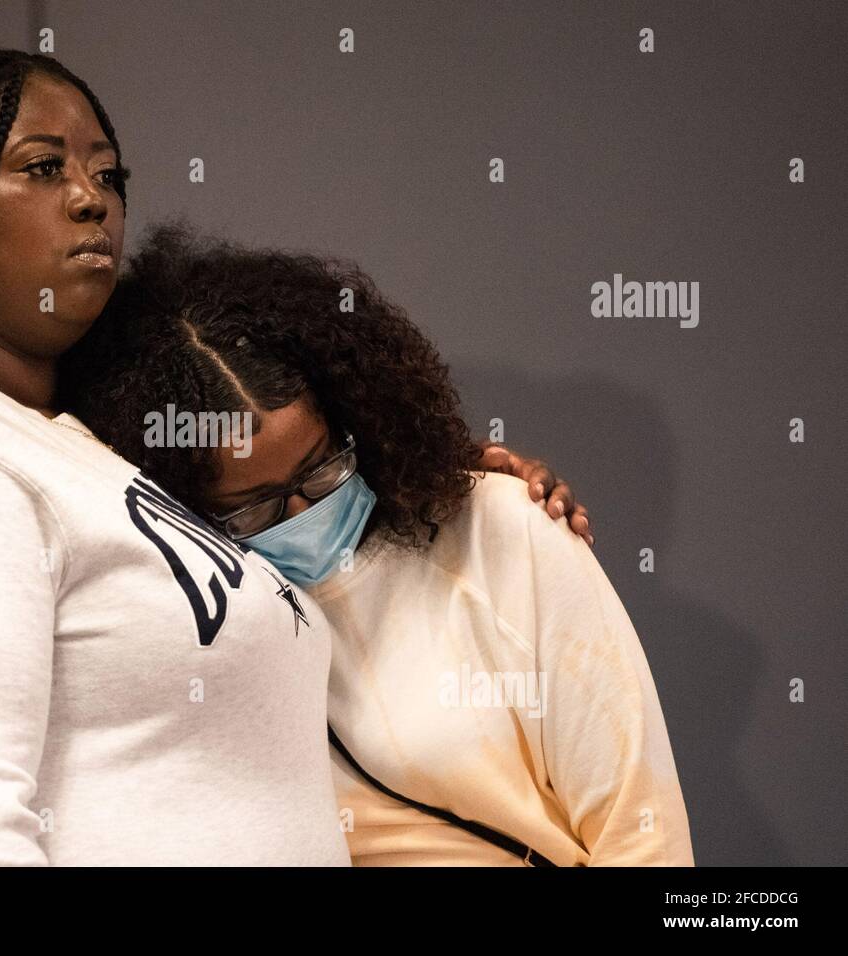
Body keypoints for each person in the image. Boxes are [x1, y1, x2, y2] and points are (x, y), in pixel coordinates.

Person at [0, 51, 592, 867]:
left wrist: (439, 481)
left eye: (107, 175)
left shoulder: (76, 448)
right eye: (42, 167)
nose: (90, 199)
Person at [61, 222, 695, 865]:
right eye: (254, 507)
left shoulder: (504, 528)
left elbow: (642, 832)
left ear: (356, 417)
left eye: (321, 468)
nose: (305, 511)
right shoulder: (193, 627)